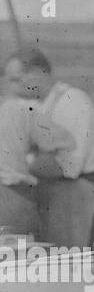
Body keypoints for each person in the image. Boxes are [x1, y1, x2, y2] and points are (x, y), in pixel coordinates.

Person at [4, 48, 94, 246]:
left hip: (78, 194)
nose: (13, 87)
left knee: (74, 266)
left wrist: (26, 167)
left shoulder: (72, 100)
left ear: (38, 72)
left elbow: (71, 164)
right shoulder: (37, 106)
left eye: (17, 79)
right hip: (52, 195)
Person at [0, 96, 76, 236]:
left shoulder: (15, 110)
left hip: (11, 195)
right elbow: (67, 140)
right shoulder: (15, 109)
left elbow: (66, 140)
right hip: (13, 197)